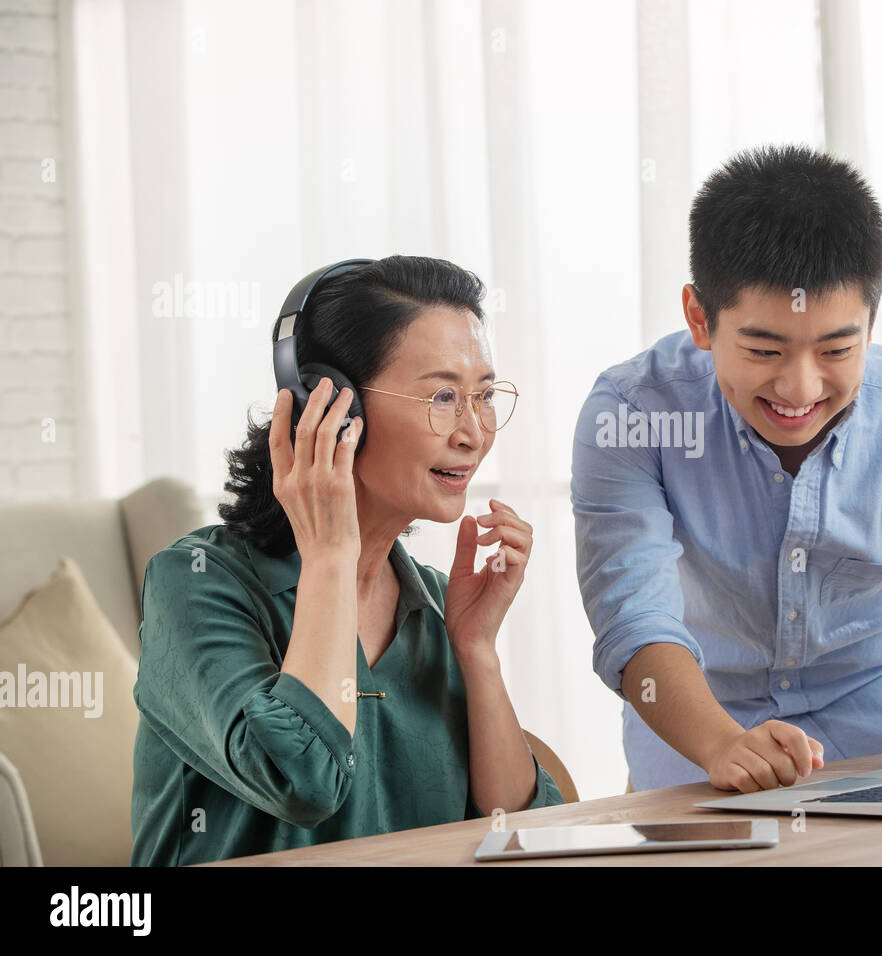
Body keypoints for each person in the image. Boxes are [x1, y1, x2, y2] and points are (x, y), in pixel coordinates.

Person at [571, 144, 882, 793]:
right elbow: (633, 619)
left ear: (871, 322)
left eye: (837, 349)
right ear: (700, 318)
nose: (800, 388)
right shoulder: (632, 413)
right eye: (764, 350)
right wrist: (721, 744)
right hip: (701, 736)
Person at [131, 255, 563, 866]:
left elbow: (522, 833)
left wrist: (477, 652)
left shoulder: (437, 604)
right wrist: (331, 556)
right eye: (443, 396)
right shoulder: (194, 585)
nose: (474, 432)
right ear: (334, 408)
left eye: (485, 395)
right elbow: (301, 782)